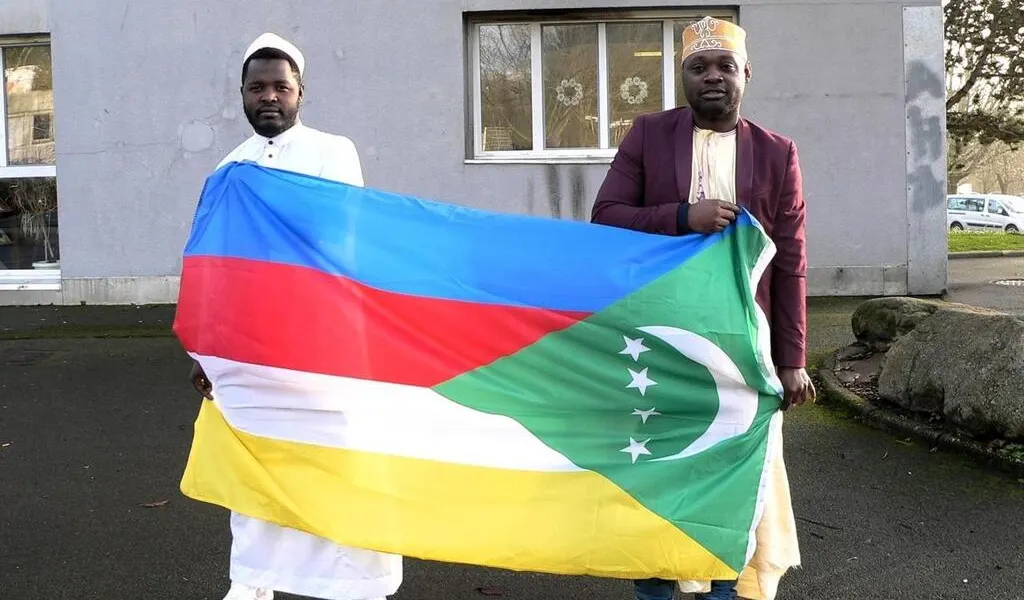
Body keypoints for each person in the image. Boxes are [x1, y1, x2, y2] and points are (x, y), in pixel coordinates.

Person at [591, 16, 812, 600]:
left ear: (746, 75)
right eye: (699, 66)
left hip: (744, 342)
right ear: (682, 76)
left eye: (726, 66)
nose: (713, 76)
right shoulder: (647, 135)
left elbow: (789, 263)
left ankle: (726, 590)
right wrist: (678, 217)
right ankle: (656, 589)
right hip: (660, 339)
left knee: (737, 474)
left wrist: (791, 358)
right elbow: (606, 217)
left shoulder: (776, 153)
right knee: (660, 472)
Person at [187, 32, 403, 600]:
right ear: (240, 94)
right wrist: (203, 352)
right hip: (248, 349)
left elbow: (338, 242)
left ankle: (357, 585)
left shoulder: (333, 152)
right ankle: (255, 582)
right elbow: (214, 265)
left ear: (300, 92)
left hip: (321, 343)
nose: (269, 97)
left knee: (336, 463)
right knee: (257, 464)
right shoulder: (229, 166)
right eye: (257, 87)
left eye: (280, 86)